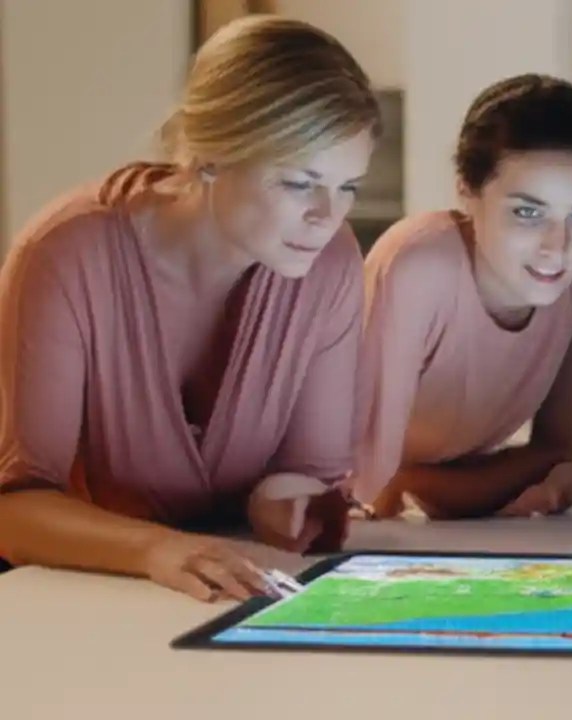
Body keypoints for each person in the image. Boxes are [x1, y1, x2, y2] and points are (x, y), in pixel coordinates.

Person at [0, 15, 380, 601]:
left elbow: (312, 475)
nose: (328, 217)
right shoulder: (67, 253)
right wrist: (161, 548)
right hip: (73, 600)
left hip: (223, 594)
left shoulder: (329, 264)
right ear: (210, 156)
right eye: (300, 183)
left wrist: (288, 504)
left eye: (348, 186)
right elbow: (16, 509)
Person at [355, 74, 572, 521]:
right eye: (528, 213)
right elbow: (366, 485)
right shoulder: (422, 265)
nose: (559, 246)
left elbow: (551, 455)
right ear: (466, 191)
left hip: (435, 492)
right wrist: (420, 486)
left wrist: (419, 484)